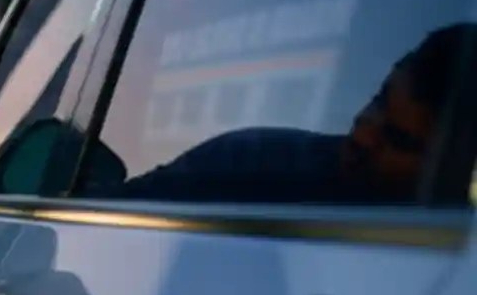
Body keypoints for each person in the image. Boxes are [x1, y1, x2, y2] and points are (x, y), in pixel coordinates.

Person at [90, 23, 477, 205]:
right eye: (377, 102)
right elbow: (110, 216)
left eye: (397, 139)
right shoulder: (248, 165)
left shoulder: (454, 261)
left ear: (458, 165)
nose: (364, 133)